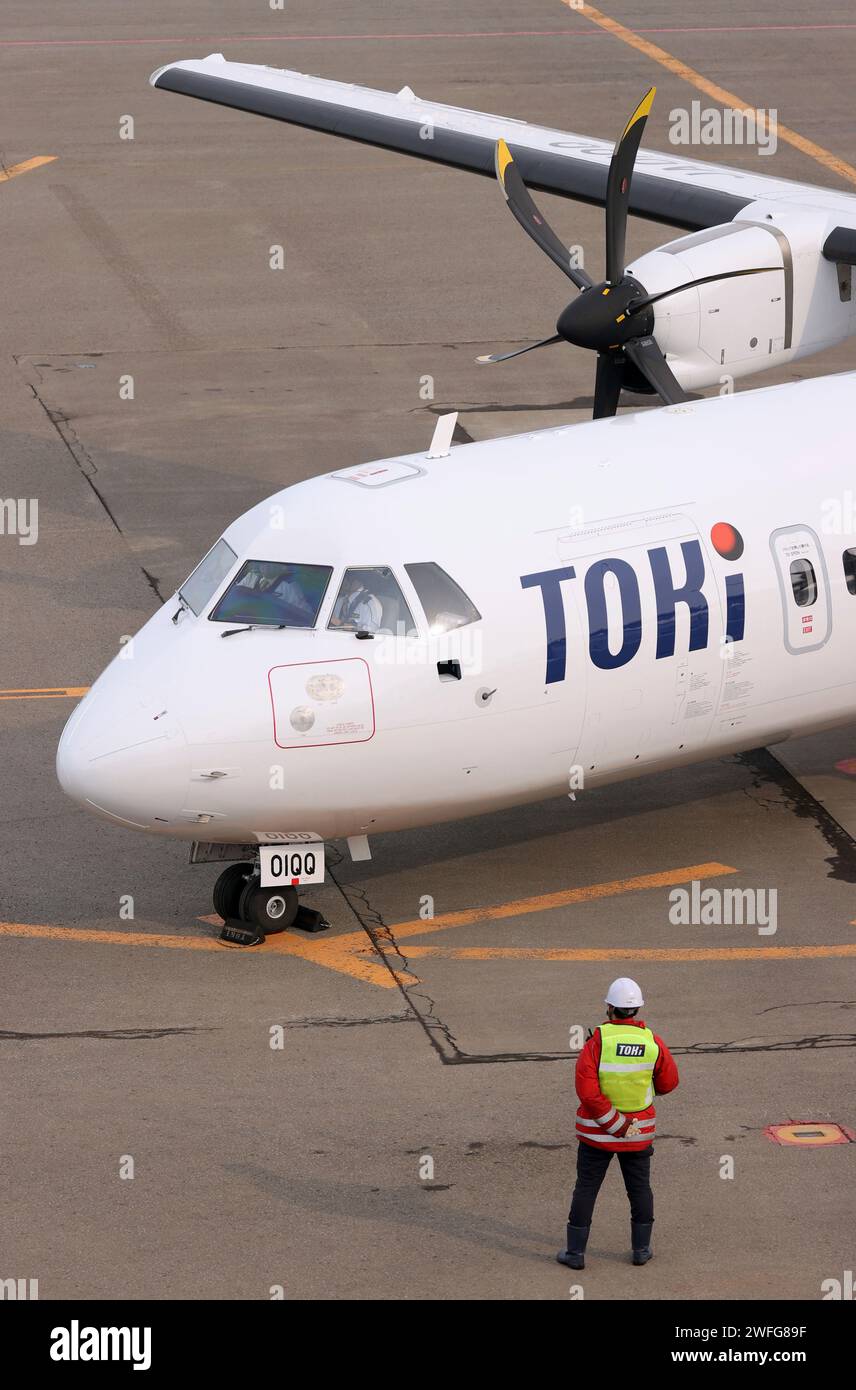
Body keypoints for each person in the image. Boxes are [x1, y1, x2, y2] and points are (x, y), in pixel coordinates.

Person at [557, 977, 679, 1270]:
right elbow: (669, 1082)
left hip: (597, 1135)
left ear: (609, 1008)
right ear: (636, 1009)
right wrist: (627, 1123)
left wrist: (613, 1123)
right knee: (639, 1189)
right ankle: (641, 1249)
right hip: (638, 1134)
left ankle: (575, 1253)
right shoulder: (652, 1042)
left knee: (586, 1188)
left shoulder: (598, 1042)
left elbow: (587, 1092)